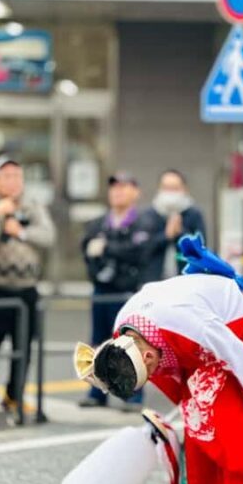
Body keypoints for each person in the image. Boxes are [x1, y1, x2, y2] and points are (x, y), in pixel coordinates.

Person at [74, 239, 243, 484]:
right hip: (187, 342)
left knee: (226, 419)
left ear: (147, 357)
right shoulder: (126, 331)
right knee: (196, 417)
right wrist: (187, 403)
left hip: (239, 328)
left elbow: (241, 357)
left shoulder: (188, 322)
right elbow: (168, 380)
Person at [0, 156, 56, 418]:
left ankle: (14, 394)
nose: (12, 181)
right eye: (6, 176)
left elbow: (48, 237)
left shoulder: (33, 206)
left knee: (24, 346)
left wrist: (20, 231)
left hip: (26, 288)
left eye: (17, 176)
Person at [79, 172, 156, 411]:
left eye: (124, 187)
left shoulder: (143, 222)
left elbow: (139, 251)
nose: (118, 192)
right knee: (99, 340)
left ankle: (133, 394)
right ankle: (96, 391)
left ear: (136, 192)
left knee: (130, 343)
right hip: (102, 290)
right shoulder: (99, 222)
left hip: (127, 292)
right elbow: (87, 249)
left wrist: (107, 248)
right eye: (114, 187)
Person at [143, 169, 207, 283]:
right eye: (166, 188)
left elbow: (201, 247)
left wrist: (180, 232)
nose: (170, 193)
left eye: (175, 188)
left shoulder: (194, 214)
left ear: (184, 189)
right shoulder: (150, 215)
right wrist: (166, 235)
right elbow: (144, 248)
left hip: (186, 279)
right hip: (154, 280)